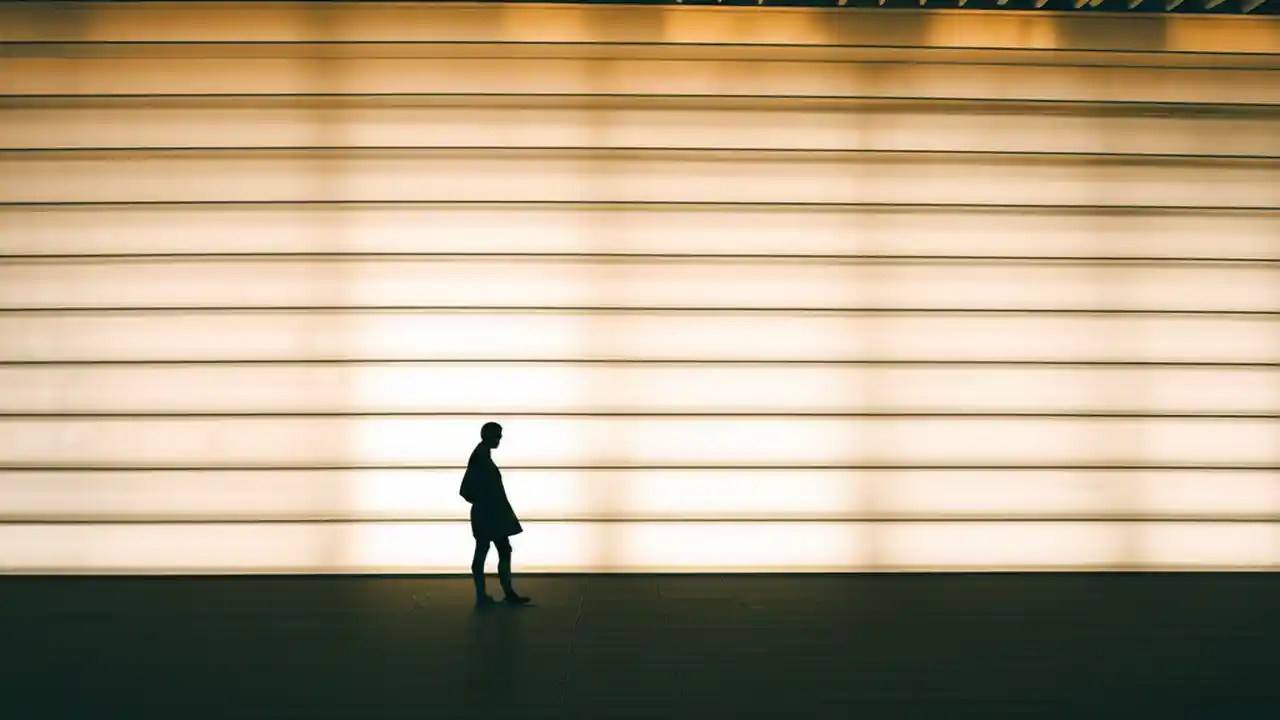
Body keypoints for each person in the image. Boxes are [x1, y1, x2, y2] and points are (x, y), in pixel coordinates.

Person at [460, 422, 531, 608]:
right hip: (489, 514)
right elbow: (467, 489)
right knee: (490, 551)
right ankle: (490, 596)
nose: (499, 440)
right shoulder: (480, 457)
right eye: (497, 436)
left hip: (490, 513)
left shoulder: (481, 455)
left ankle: (492, 595)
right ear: (488, 436)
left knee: (496, 550)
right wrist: (485, 501)